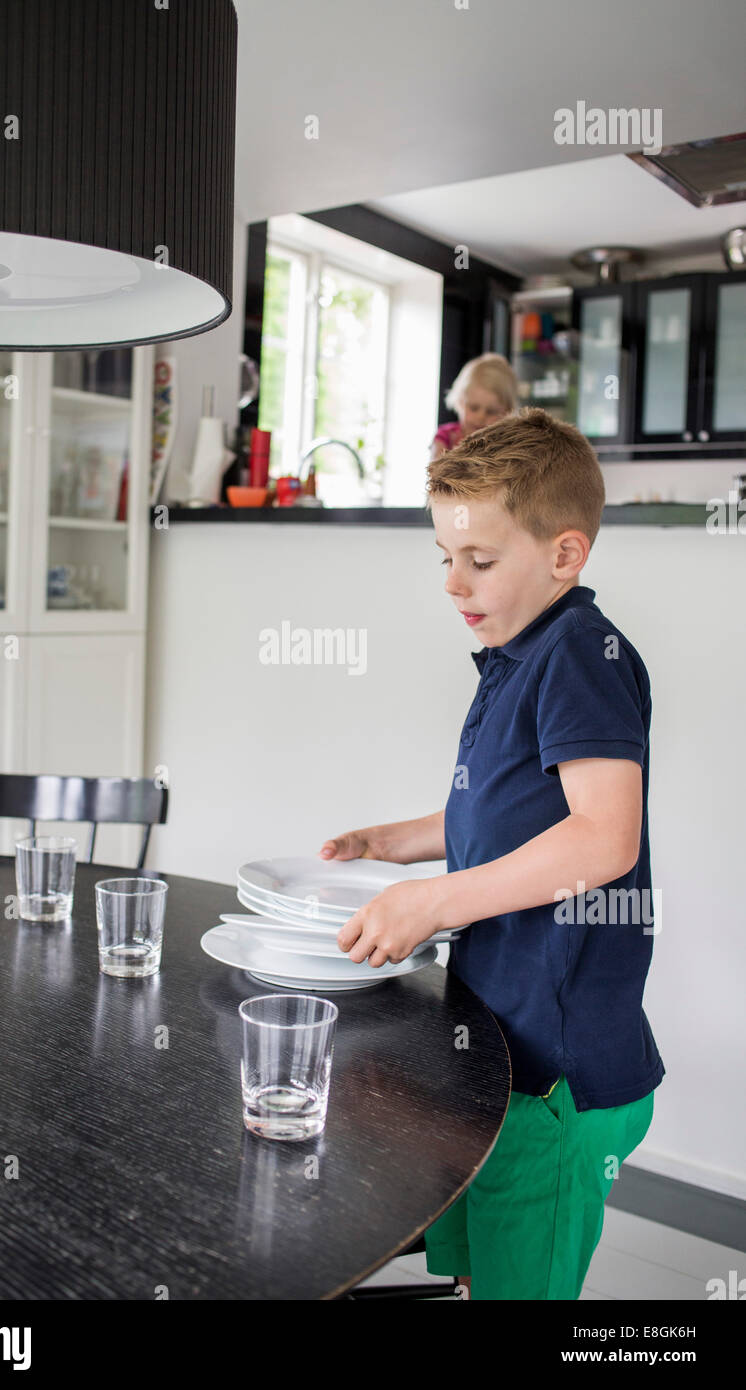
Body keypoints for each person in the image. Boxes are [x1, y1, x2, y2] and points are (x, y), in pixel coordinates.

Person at [319, 407, 664, 1301]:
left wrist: (435, 902)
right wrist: (399, 841)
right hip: (503, 1059)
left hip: (558, 1077)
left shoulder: (581, 657)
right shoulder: (519, 654)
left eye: (479, 560)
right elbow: (513, 810)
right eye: (445, 558)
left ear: (564, 554)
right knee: (485, 1275)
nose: (453, 583)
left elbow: (603, 836)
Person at [430, 352, 519, 461]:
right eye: (473, 408)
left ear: (507, 412)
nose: (480, 417)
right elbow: (435, 469)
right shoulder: (446, 436)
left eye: (491, 411)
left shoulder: (506, 444)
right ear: (460, 402)